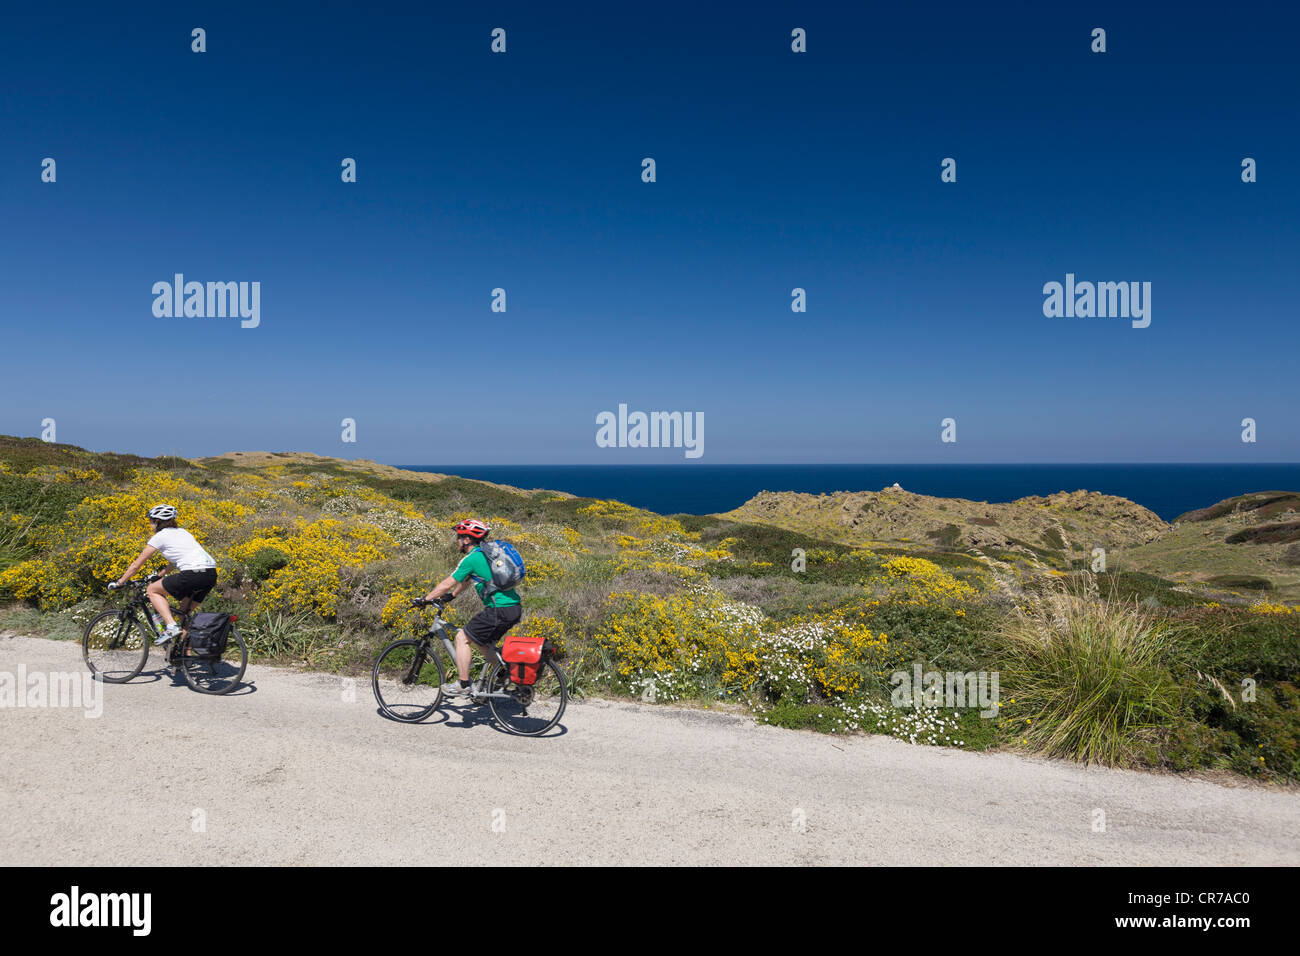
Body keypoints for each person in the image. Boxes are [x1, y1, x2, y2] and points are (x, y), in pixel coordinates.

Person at [421, 518, 522, 697]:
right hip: (513, 608)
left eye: (459, 537)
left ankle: (463, 684)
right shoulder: (485, 555)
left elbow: (447, 583)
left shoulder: (472, 558)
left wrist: (425, 599)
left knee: (462, 638)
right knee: (482, 642)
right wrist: (451, 596)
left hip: (499, 610)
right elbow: (466, 582)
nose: (457, 541)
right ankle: (504, 671)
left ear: (467, 539)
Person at [110, 504, 218, 644]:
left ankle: (171, 626)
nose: (150, 525)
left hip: (192, 573)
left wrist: (120, 582)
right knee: (183, 613)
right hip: (210, 574)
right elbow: (175, 561)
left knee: (152, 590)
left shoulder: (160, 536)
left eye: (151, 521)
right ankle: (185, 656)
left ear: (158, 522)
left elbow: (137, 564)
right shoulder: (184, 532)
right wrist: (160, 575)